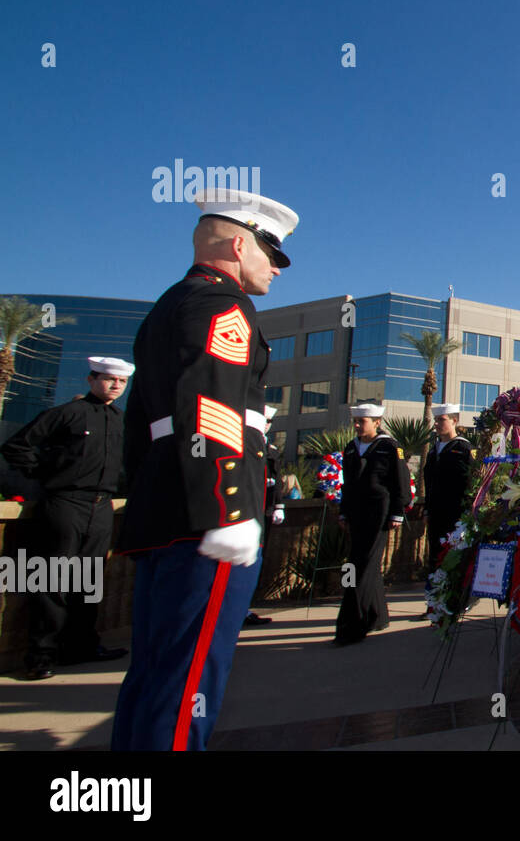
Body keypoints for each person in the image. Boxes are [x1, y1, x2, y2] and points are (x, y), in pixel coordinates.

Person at [111, 188, 298, 751]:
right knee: (190, 678)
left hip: (165, 510)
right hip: (207, 521)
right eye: (272, 253)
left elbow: (141, 426)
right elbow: (212, 403)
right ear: (240, 244)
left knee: (154, 672)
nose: (277, 270)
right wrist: (230, 510)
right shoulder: (224, 305)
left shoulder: (168, 307)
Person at [1, 356, 135, 680]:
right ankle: (40, 656)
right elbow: (17, 448)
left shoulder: (121, 420)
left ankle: (81, 647)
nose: (115, 385)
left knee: (89, 582)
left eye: (121, 381)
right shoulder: (66, 414)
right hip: (64, 504)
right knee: (51, 580)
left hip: (102, 506)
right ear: (91, 380)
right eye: (108, 379)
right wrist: (42, 481)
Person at [335, 401, 410, 645]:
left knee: (362, 566)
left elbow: (400, 481)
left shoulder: (389, 447)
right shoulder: (350, 448)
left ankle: (351, 622)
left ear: (376, 422)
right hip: (356, 514)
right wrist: (344, 513)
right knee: (355, 564)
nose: (357, 425)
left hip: (378, 514)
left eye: (362, 421)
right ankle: (378, 615)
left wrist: (397, 512)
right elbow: (347, 484)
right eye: (355, 421)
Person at [243, 406, 284, 628]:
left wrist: (279, 505)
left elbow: (276, 479)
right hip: (246, 510)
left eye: (269, 420)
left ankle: (245, 607)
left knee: (257, 560)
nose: (266, 424)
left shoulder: (271, 448)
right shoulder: (244, 441)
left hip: (265, 510)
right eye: (263, 419)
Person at [421, 402, 471, 567]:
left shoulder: (463, 448)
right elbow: (429, 482)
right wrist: (427, 509)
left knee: (454, 558)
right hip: (436, 513)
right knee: (435, 556)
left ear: (454, 421)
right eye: (435, 420)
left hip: (456, 514)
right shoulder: (434, 450)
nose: (436, 424)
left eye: (441, 420)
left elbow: (472, 481)